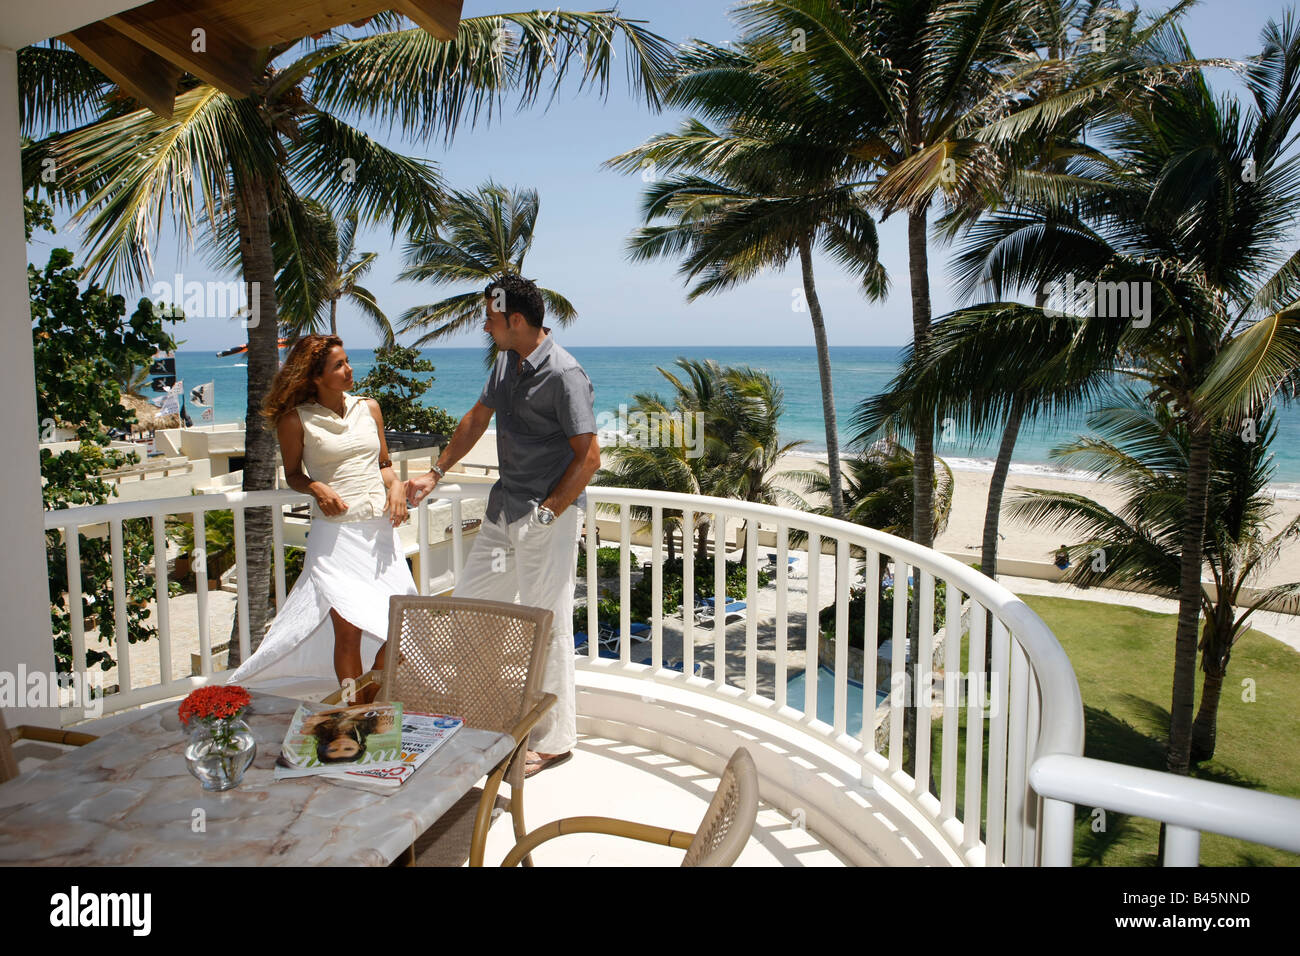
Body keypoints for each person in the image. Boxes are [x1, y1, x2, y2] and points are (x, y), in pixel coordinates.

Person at [406, 274, 601, 778]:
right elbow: (476, 418)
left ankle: (555, 740)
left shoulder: (564, 374)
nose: (485, 326)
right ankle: (481, 714)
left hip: (547, 518)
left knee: (546, 622)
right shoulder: (505, 362)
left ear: (516, 320)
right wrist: (436, 471)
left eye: (491, 318)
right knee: (474, 608)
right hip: (502, 510)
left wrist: (547, 514)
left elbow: (589, 458)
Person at [228, 335, 417, 701]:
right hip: (335, 538)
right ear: (314, 377)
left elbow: (384, 466)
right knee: (347, 633)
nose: (349, 370)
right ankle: (356, 710)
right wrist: (317, 488)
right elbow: (295, 474)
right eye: (339, 365)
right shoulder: (295, 420)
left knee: (404, 628)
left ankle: (369, 698)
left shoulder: (369, 408)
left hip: (379, 537)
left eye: (347, 361)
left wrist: (395, 489)